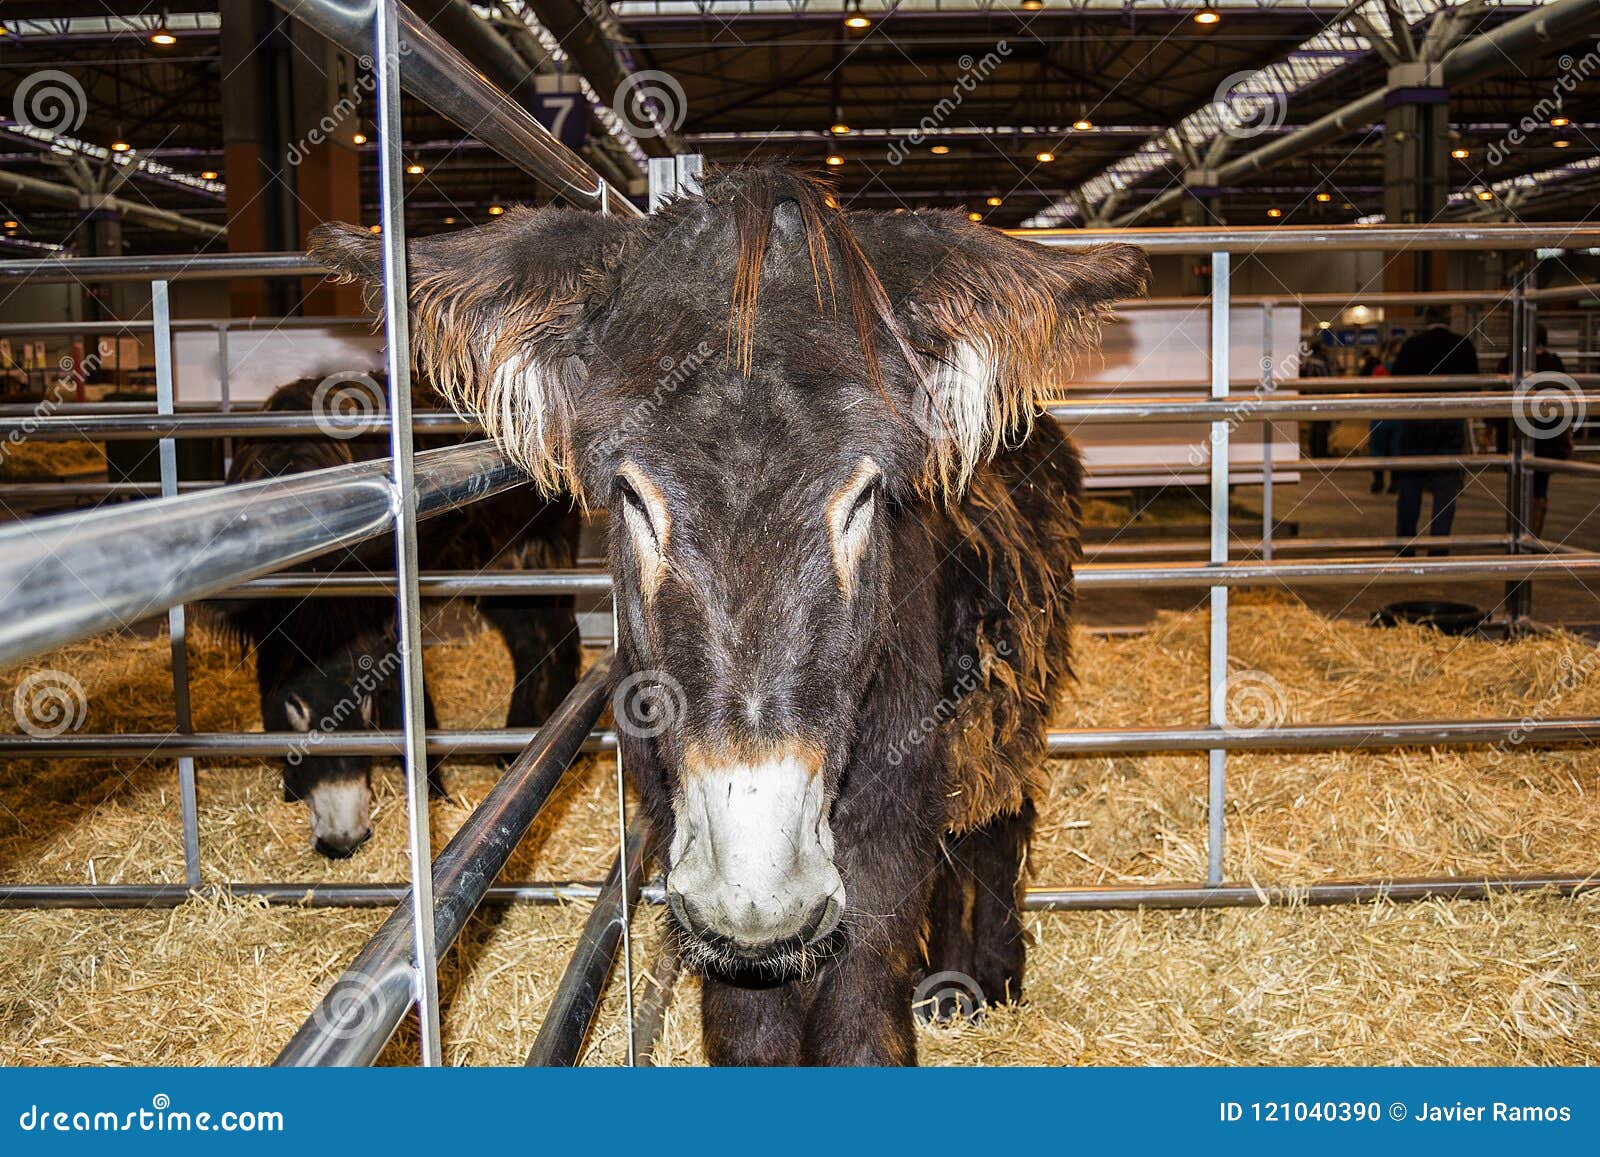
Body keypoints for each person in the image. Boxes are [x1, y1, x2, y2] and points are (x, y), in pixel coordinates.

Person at [1390, 306, 1479, 555]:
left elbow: (1395, 386)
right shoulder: (1463, 345)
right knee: (1445, 490)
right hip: (1449, 423)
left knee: (1410, 488)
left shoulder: (1411, 346)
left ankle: (1405, 547)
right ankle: (1438, 548)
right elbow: (1474, 388)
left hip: (1416, 424)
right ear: (1449, 320)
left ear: (1426, 319)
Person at [1496, 324, 1572, 538]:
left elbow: (1498, 400)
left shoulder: (1509, 362)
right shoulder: (1553, 363)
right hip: (1548, 432)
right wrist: (1568, 433)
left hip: (1514, 433)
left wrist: (1489, 432)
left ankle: (1515, 532)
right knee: (1540, 487)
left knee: (1515, 484)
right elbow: (1566, 400)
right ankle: (1534, 534)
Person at [1362, 348, 1394, 493]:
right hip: (1398, 416)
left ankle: (1378, 481)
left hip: (1380, 415)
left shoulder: (1379, 370)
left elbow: (1371, 390)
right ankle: (1395, 483)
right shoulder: (1404, 370)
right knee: (1396, 450)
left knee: (1377, 450)